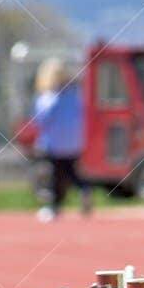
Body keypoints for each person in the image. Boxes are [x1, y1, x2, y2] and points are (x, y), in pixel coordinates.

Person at [30, 59, 92, 221]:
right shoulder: (75, 95)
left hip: (53, 144)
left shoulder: (48, 98)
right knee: (72, 172)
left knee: (53, 175)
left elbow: (41, 119)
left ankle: (53, 207)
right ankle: (84, 189)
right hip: (74, 143)